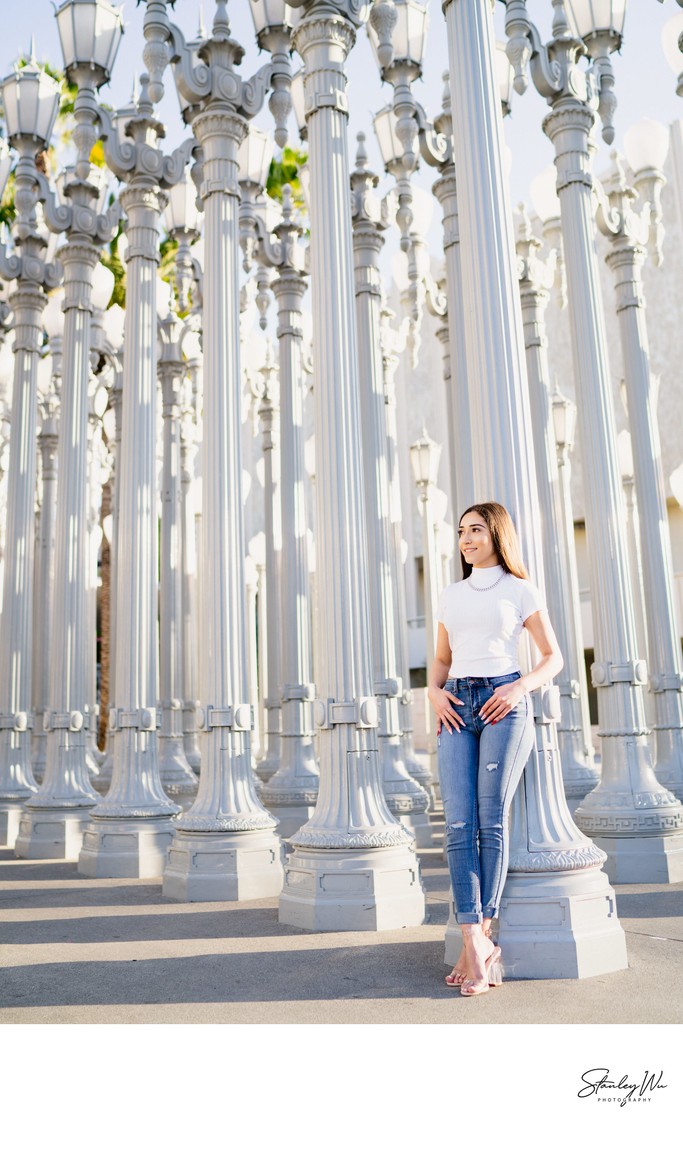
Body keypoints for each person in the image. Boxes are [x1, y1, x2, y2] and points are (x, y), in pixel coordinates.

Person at [427, 502, 563, 997]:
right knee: (458, 825)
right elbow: (441, 660)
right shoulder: (451, 594)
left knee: (490, 820)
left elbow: (554, 657)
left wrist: (519, 688)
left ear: (496, 534)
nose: (465, 538)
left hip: (503, 702)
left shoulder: (519, 588)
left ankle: (478, 943)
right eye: (461, 531)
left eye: (476, 529)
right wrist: (433, 692)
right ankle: (475, 940)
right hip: (457, 705)